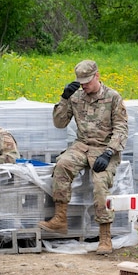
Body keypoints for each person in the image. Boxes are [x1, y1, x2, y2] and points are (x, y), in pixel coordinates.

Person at [38, 60, 128, 254]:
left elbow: (121, 129)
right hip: (82, 145)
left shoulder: (113, 97)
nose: (84, 85)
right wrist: (64, 99)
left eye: (87, 81)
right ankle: (60, 218)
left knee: (100, 183)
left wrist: (109, 152)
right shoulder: (76, 97)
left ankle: (105, 235)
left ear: (97, 76)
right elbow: (59, 123)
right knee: (62, 165)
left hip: (104, 148)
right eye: (81, 82)